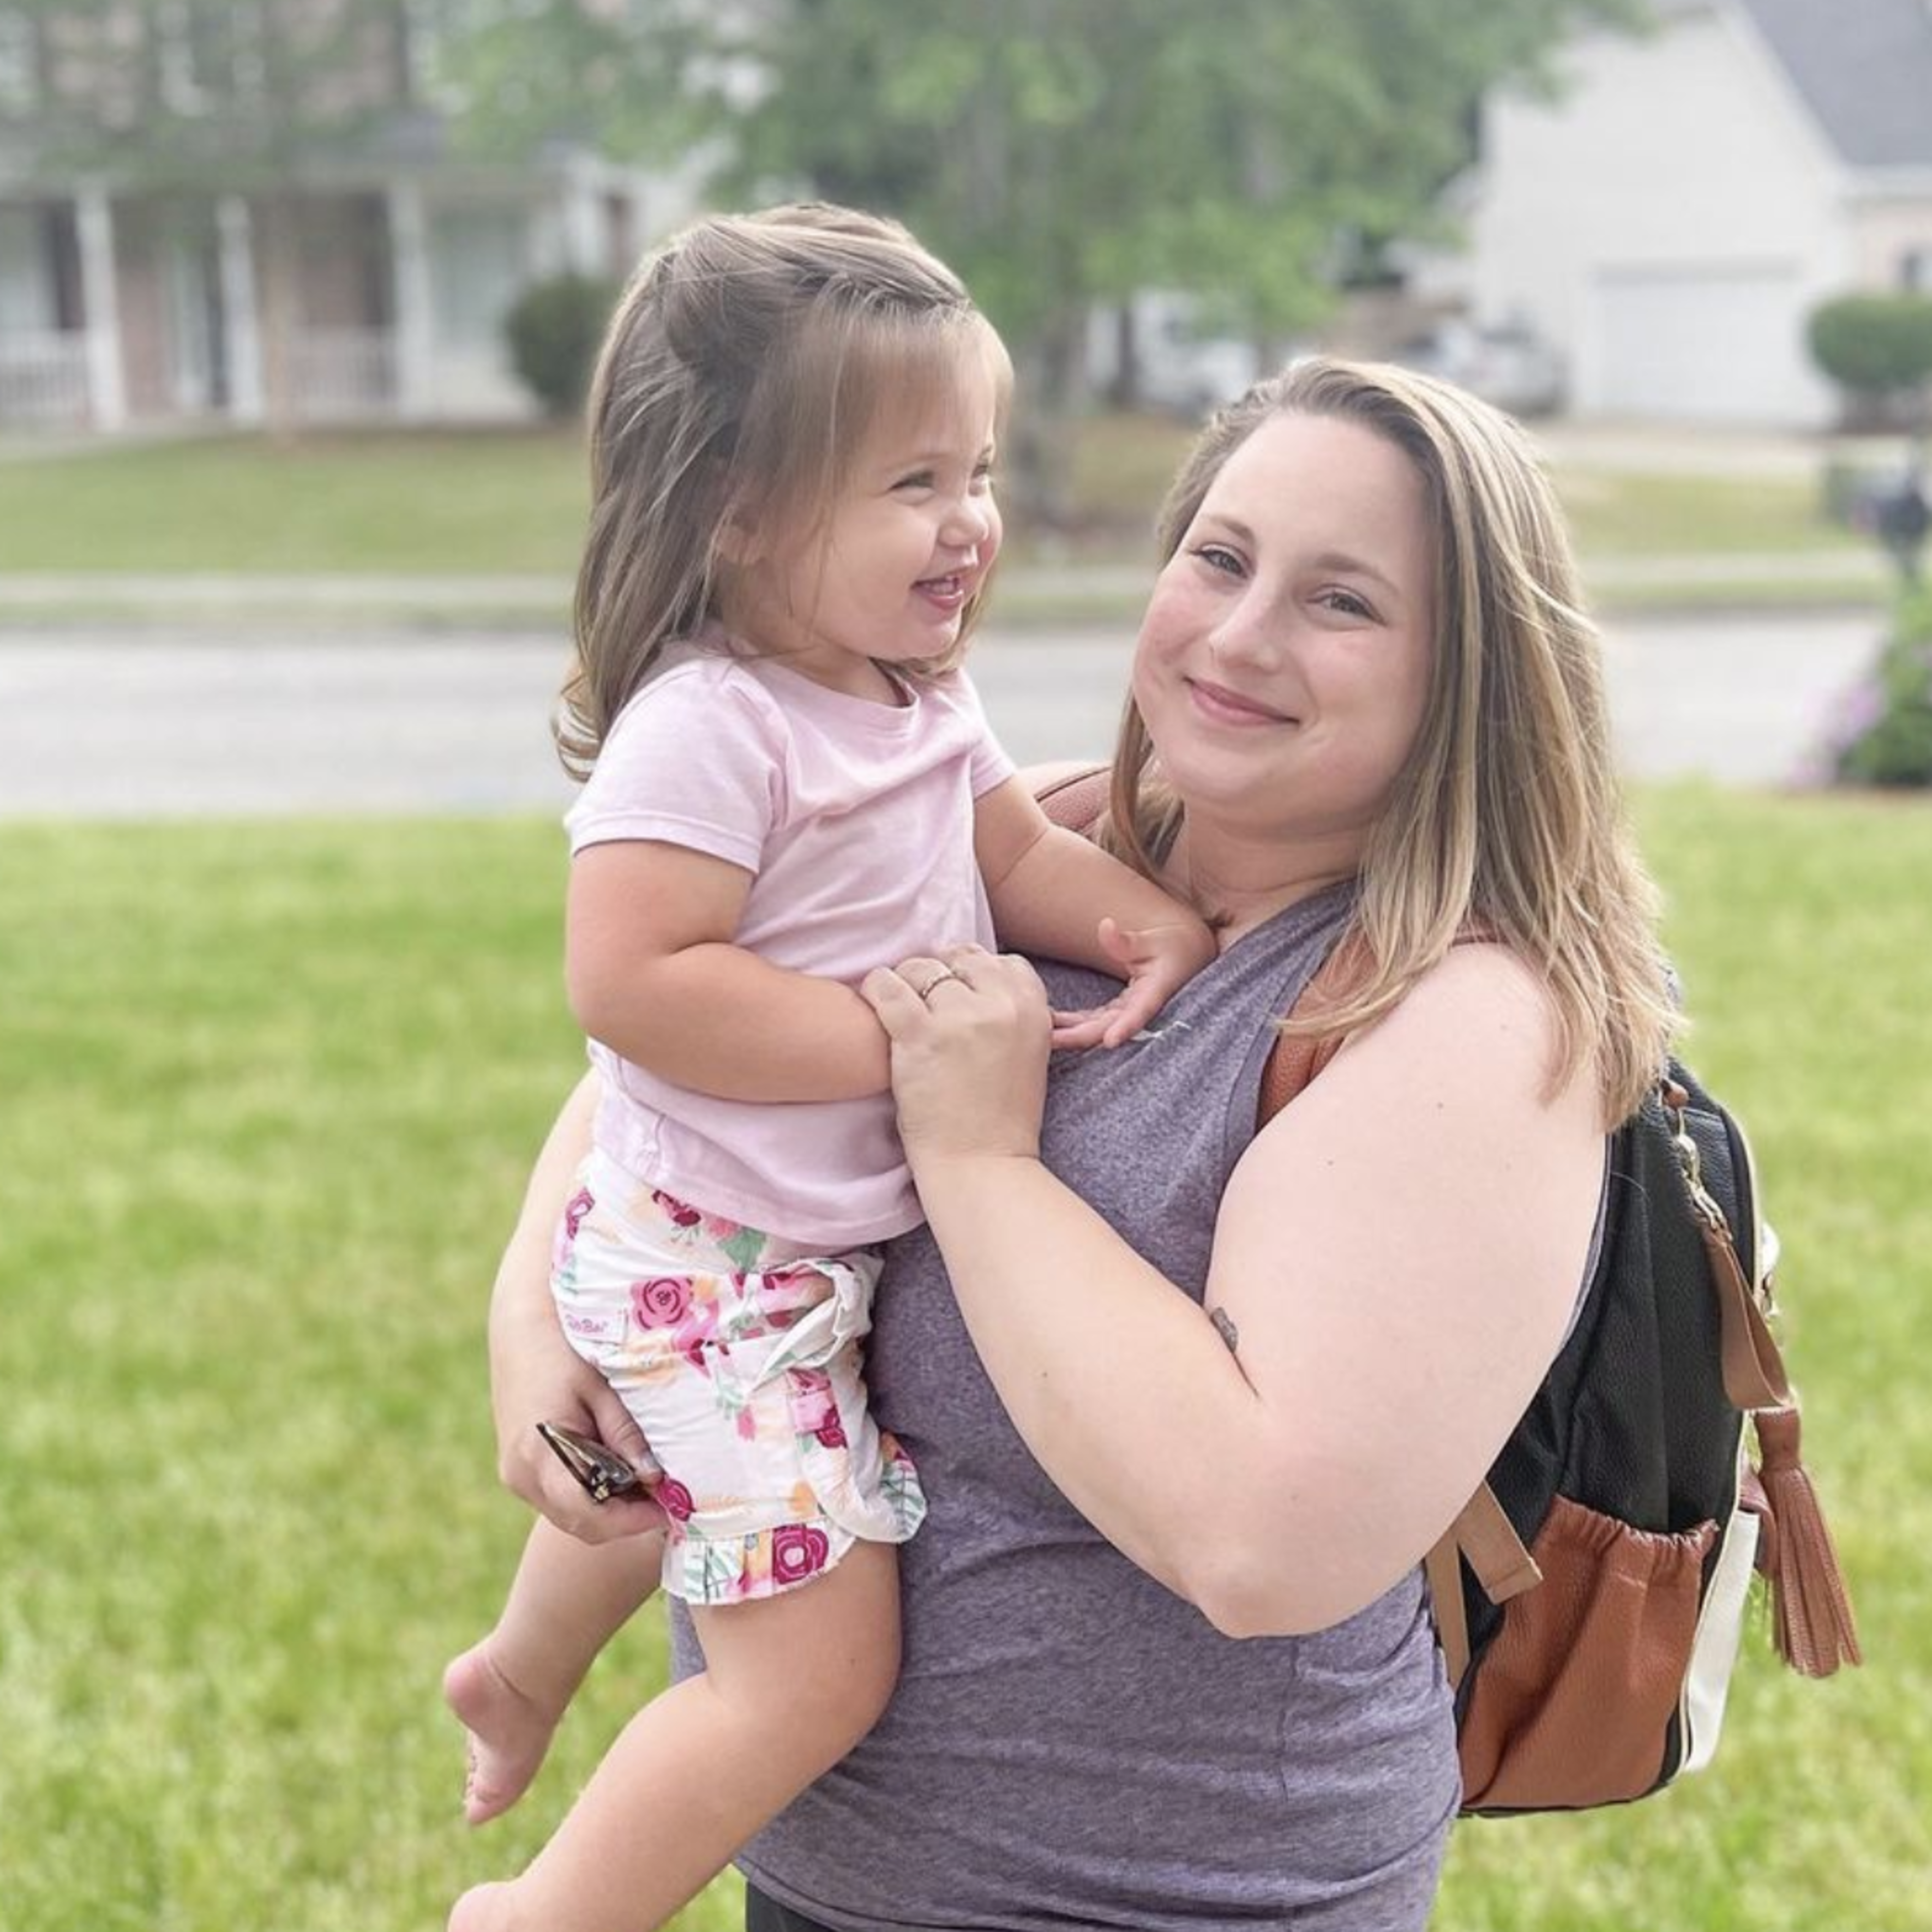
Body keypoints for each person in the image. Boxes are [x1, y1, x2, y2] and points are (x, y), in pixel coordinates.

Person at [477, 354, 1679, 1931]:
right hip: (833, 1880)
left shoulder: (1470, 1019)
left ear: (1473, 676)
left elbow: (1268, 1539)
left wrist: (980, 1162)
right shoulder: (1039, 843)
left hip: (1171, 1895)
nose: (1241, 637)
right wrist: (532, 1330)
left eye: (1343, 602)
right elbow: (664, 1067)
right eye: (1221, 559)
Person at [442, 203, 1217, 1932]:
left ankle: (514, 1666)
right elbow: (633, 977)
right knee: (809, 1673)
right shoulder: (711, 725)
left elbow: (1013, 853)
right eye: (912, 484)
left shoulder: (917, 689)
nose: (973, 526)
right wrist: (903, 1033)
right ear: (734, 512)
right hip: (716, 1263)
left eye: (983, 471)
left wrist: (1136, 916)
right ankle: (544, 1913)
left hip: (779, 1246)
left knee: (664, 1484)